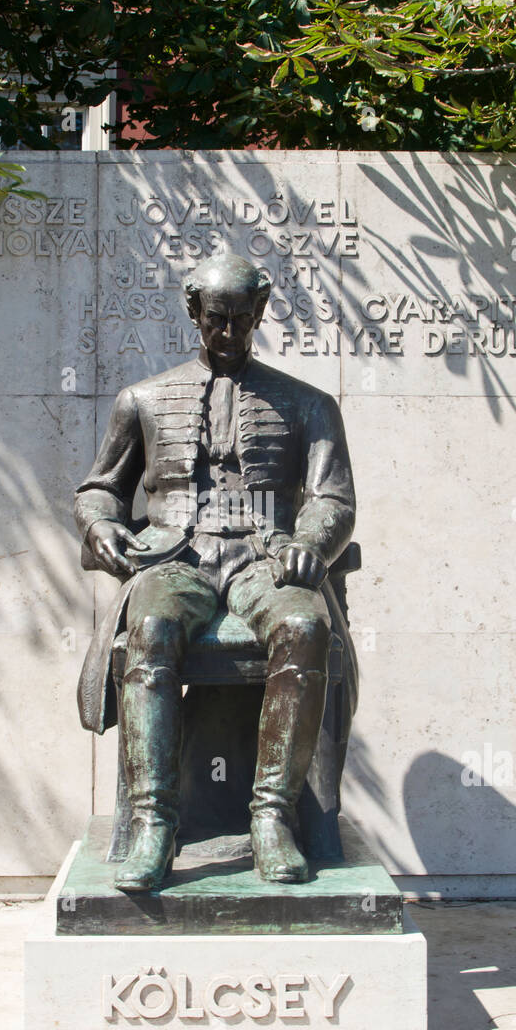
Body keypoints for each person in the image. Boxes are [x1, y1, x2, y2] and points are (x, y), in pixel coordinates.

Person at [75, 252, 356, 891]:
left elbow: (332, 498)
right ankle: (153, 821)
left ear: (260, 314)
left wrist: (312, 541)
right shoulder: (141, 400)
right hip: (176, 557)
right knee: (150, 625)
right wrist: (101, 526)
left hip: (266, 557)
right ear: (193, 312)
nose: (228, 333)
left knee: (306, 627)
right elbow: (98, 490)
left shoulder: (308, 404)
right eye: (216, 319)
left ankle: (272, 817)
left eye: (242, 320)